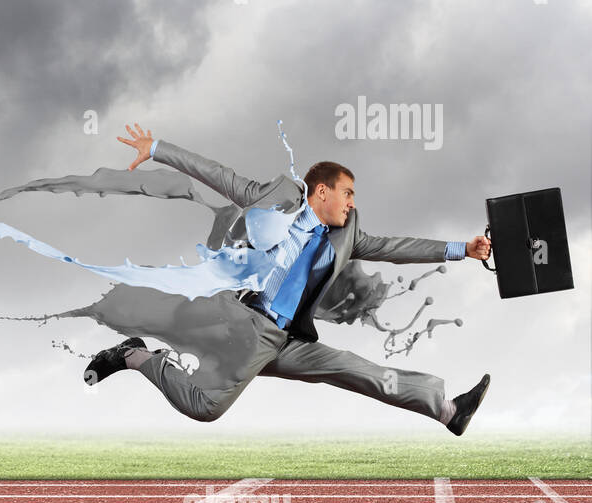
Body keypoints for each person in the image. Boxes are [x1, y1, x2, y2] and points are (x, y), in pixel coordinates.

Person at [84, 124, 492, 435]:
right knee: (204, 409)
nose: (352, 203)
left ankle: (448, 411)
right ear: (320, 192)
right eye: (346, 193)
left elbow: (394, 247)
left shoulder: (346, 234)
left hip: (284, 338)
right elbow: (217, 174)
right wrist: (156, 149)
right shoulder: (272, 199)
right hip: (242, 324)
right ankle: (134, 356)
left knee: (354, 368)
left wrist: (462, 249)